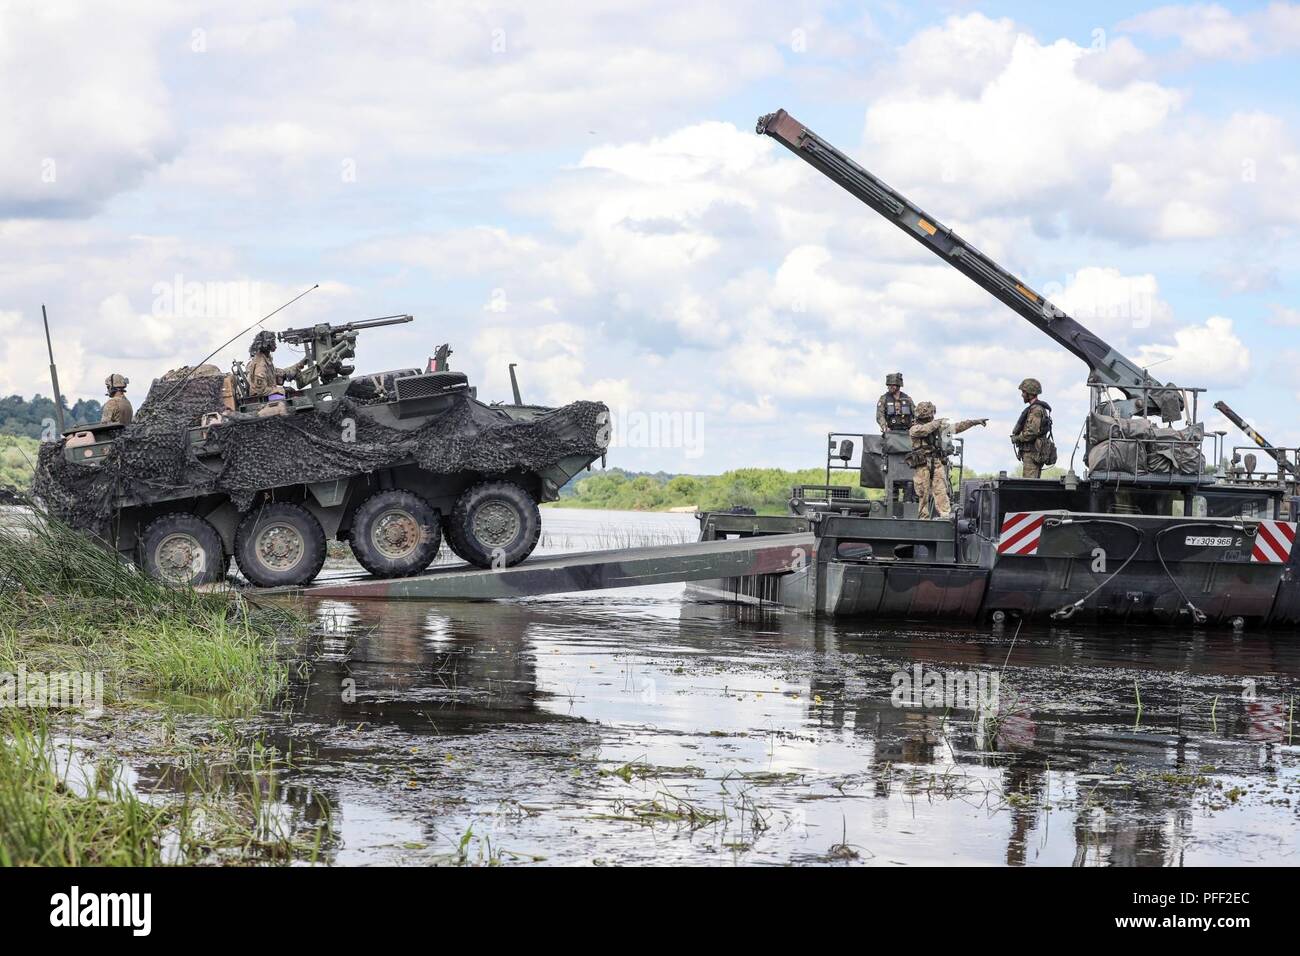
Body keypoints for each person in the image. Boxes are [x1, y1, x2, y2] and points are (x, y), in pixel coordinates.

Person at [907, 400, 987, 519]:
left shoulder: (937, 427)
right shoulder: (915, 428)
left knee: (941, 491)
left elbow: (957, 427)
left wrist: (974, 422)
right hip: (922, 464)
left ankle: (945, 516)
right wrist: (938, 422)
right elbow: (924, 430)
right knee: (923, 494)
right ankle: (923, 519)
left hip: (936, 462)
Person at [1011, 378, 1054, 479]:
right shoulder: (1035, 408)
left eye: (1023, 392)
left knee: (1029, 483)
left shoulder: (1036, 410)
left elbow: (1032, 432)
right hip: (1032, 453)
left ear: (1030, 393)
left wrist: (1017, 438)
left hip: (1032, 453)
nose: (1022, 395)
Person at [246, 330, 306, 401]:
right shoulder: (261, 364)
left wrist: (300, 365)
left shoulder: (266, 359)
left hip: (268, 396)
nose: (275, 344)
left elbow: (280, 374)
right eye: (273, 341)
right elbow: (260, 390)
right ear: (267, 344)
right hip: (262, 399)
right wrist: (282, 390)